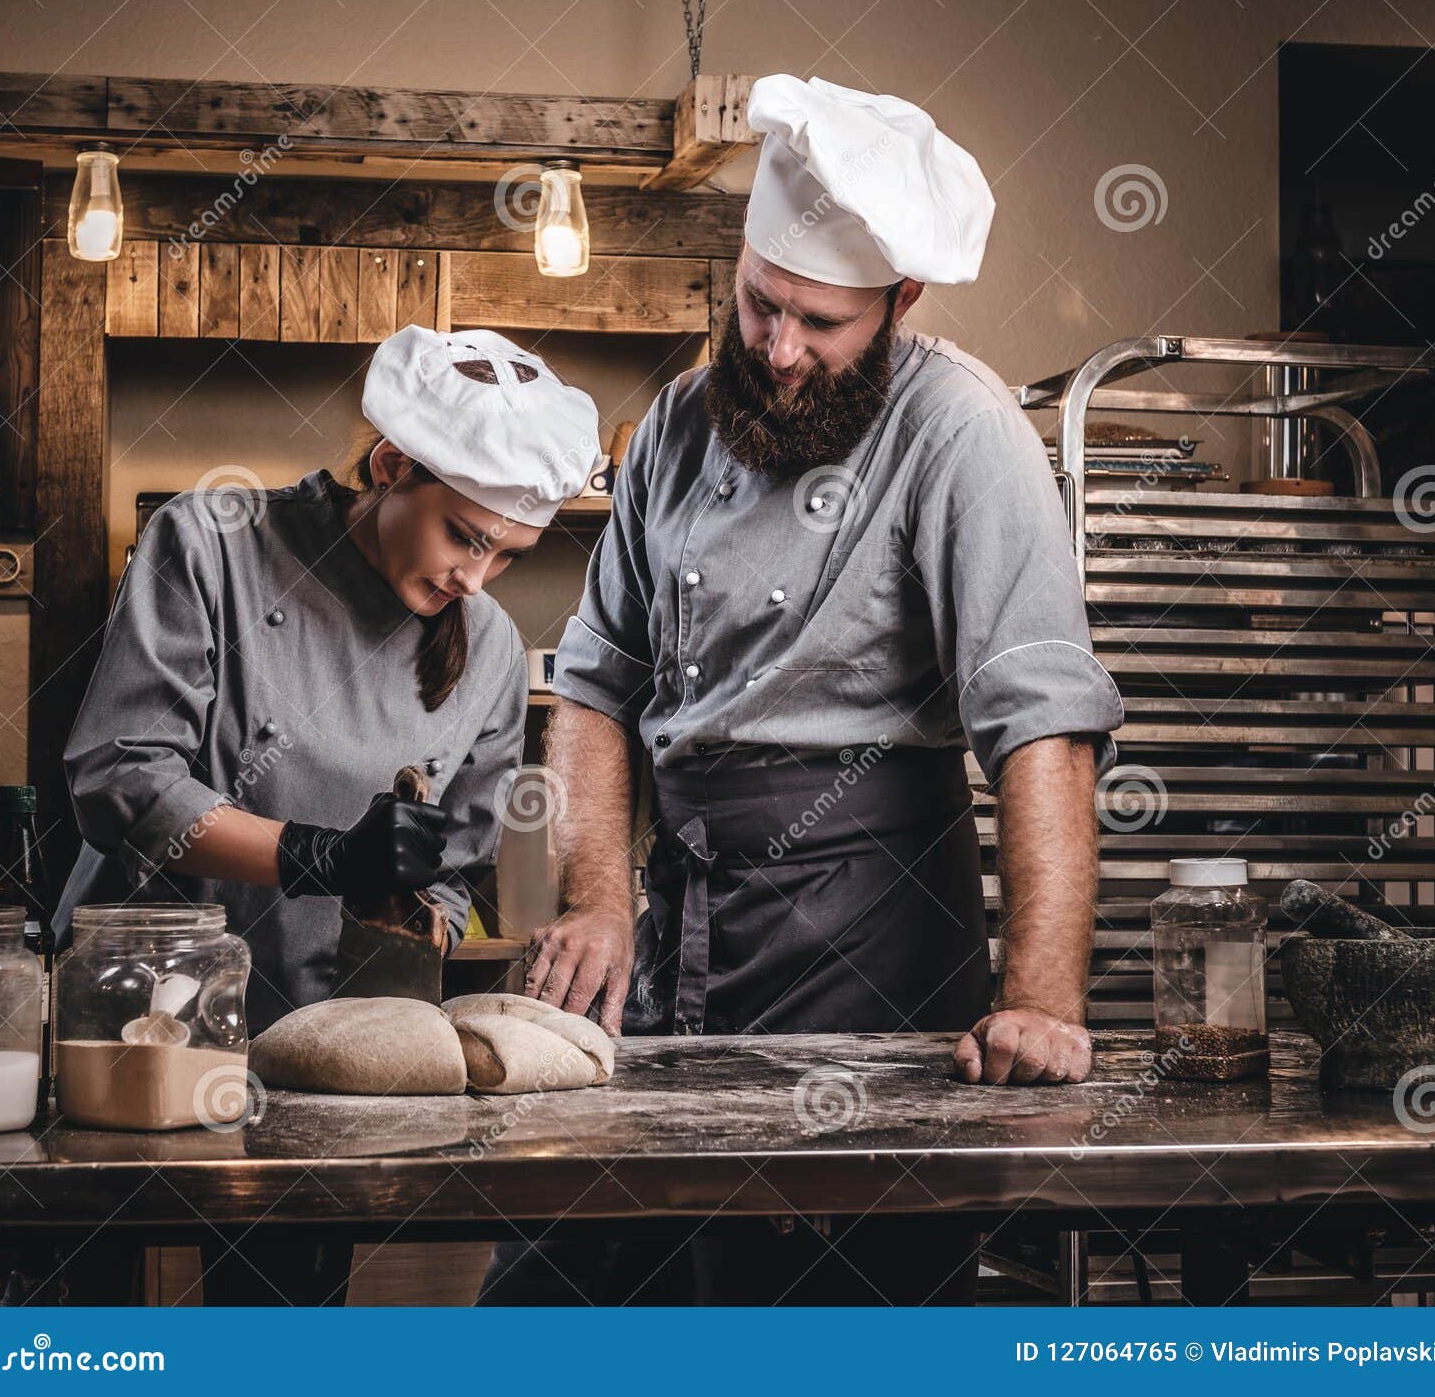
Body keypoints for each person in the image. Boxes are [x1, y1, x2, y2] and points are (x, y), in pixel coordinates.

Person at [479, 74, 1125, 1306]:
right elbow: (599, 687)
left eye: (820, 325)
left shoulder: (960, 432)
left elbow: (1040, 722)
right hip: (676, 935)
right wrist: (602, 899)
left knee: (818, 1302)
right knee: (559, 1283)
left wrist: (1040, 999)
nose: (778, 352)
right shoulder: (672, 425)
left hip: (868, 941)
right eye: (761, 304)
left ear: (899, 303)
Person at [54, 325, 599, 1305]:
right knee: (83, 1289)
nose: (474, 579)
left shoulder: (488, 641)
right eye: (465, 536)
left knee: (278, 1313)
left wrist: (424, 896)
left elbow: (460, 850)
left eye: (507, 554)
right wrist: (315, 857)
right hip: (134, 1001)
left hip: (316, 1033)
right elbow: (121, 778)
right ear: (391, 464)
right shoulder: (211, 541)